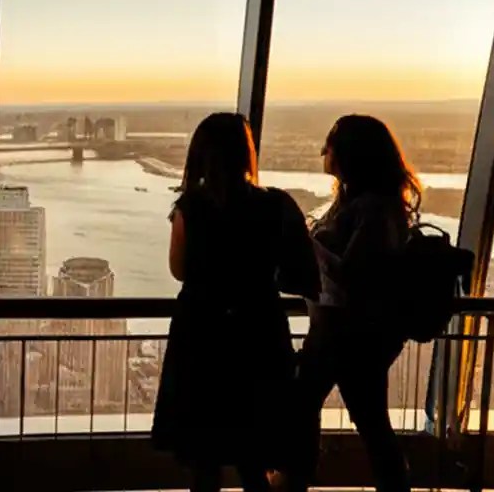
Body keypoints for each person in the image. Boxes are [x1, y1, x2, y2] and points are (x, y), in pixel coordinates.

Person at [152, 112, 320, 492]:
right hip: (259, 331)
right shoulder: (275, 205)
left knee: (203, 461)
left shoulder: (190, 209)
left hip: (201, 334)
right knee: (253, 456)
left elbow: (179, 271)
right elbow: (302, 272)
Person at [285, 114, 419, 492]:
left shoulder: (374, 209)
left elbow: (356, 274)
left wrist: (305, 244)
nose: (322, 152)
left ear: (349, 155)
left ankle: (296, 478)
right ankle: (298, 477)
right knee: (362, 418)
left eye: (329, 146)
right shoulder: (364, 204)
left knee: (319, 410)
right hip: (343, 333)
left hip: (346, 335)